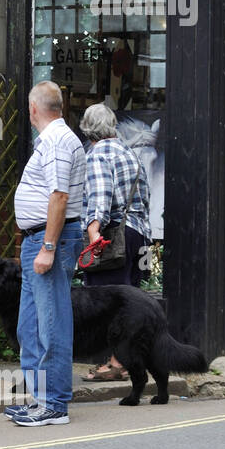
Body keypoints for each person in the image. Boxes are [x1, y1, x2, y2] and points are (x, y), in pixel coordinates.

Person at [7, 81, 86, 427]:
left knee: (50, 325)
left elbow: (59, 196)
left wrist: (48, 247)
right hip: (37, 240)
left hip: (48, 240)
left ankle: (53, 404)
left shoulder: (55, 141)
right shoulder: (56, 139)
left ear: (33, 109)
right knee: (30, 325)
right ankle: (40, 399)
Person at [79, 103, 151, 380]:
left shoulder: (97, 155)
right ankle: (125, 360)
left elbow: (100, 198)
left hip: (113, 239)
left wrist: (93, 234)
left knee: (107, 304)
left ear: (87, 128)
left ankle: (115, 364)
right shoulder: (129, 153)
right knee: (129, 300)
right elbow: (144, 198)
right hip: (138, 234)